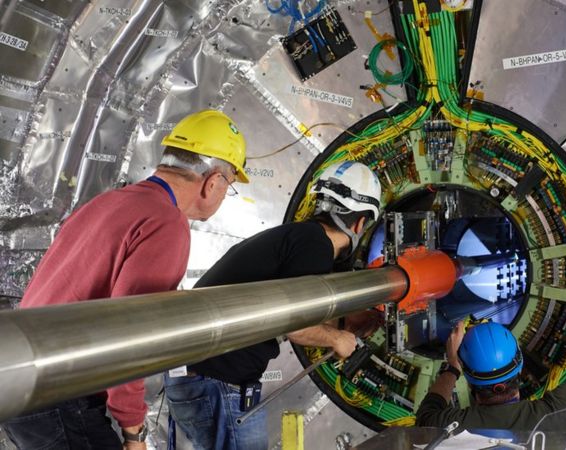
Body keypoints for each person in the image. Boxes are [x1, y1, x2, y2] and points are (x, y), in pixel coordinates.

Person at [1, 110, 248, 450]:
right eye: (230, 186)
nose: (223, 195)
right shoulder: (166, 222)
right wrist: (134, 431)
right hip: (60, 391)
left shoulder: (109, 201)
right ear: (214, 180)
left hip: (20, 385)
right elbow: (129, 337)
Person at [164, 160, 384, 449]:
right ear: (360, 223)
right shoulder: (315, 245)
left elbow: (284, 311)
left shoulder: (297, 238)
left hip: (199, 378)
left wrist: (346, 322)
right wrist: (338, 338)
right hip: (216, 383)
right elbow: (294, 322)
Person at [415, 257, 566, 431]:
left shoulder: (446, 426)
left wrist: (452, 367)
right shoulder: (551, 415)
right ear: (519, 366)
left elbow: (427, 413)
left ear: (470, 382)